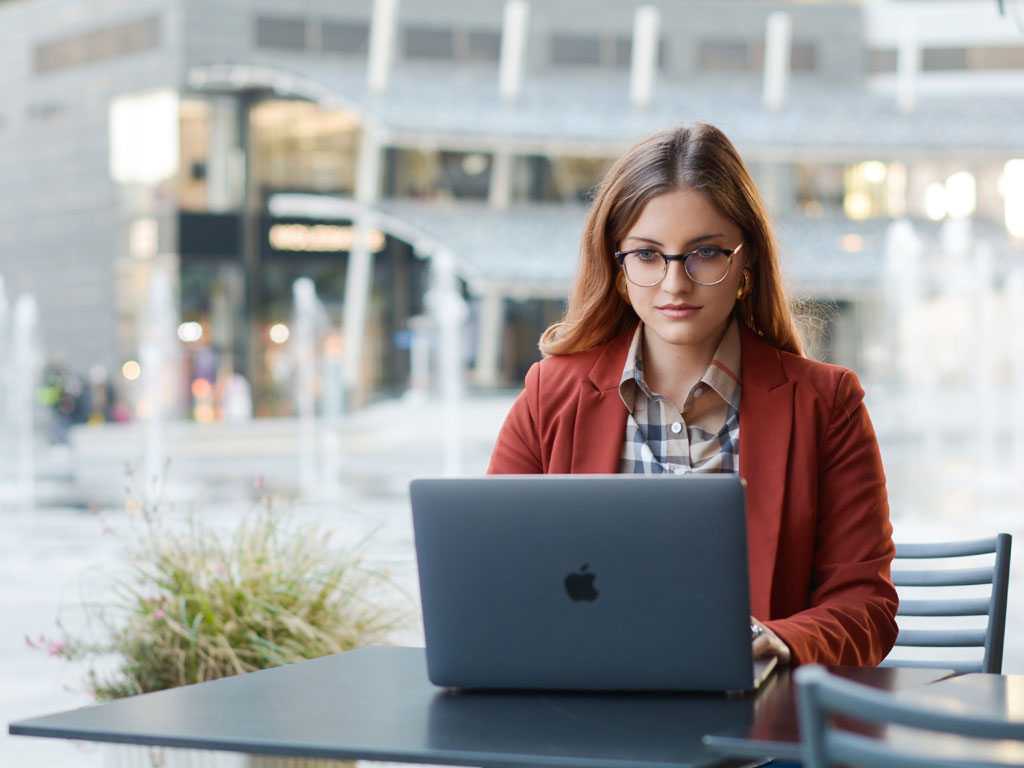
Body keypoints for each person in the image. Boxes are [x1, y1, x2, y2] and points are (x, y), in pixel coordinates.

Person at [486, 123, 898, 667]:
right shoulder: (550, 394)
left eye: (705, 254)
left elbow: (866, 607)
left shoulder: (827, 405)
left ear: (745, 262)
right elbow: (491, 575)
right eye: (648, 255)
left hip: (756, 728)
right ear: (617, 266)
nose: (674, 284)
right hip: (589, 710)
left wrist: (779, 643)